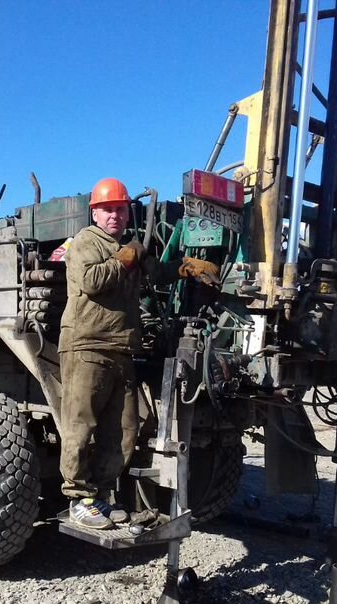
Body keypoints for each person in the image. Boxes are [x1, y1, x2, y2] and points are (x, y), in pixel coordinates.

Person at [58, 177, 221, 529]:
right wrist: (127, 256)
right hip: (88, 345)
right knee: (81, 425)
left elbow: (154, 273)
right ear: (95, 213)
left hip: (121, 348)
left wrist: (184, 268)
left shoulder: (128, 246)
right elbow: (92, 281)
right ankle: (78, 498)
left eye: (119, 209)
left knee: (125, 426)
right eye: (107, 210)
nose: (114, 215)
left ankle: (100, 495)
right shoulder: (86, 242)